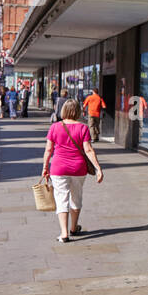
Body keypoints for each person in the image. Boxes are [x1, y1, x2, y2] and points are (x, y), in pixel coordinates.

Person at [42, 99, 103, 242]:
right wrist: (98, 169)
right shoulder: (83, 128)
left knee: (61, 198)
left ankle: (64, 233)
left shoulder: (55, 127)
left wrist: (45, 167)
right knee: (76, 198)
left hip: (58, 168)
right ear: (77, 111)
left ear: (63, 110)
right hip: (78, 169)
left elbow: (48, 150)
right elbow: (88, 150)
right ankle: (74, 228)